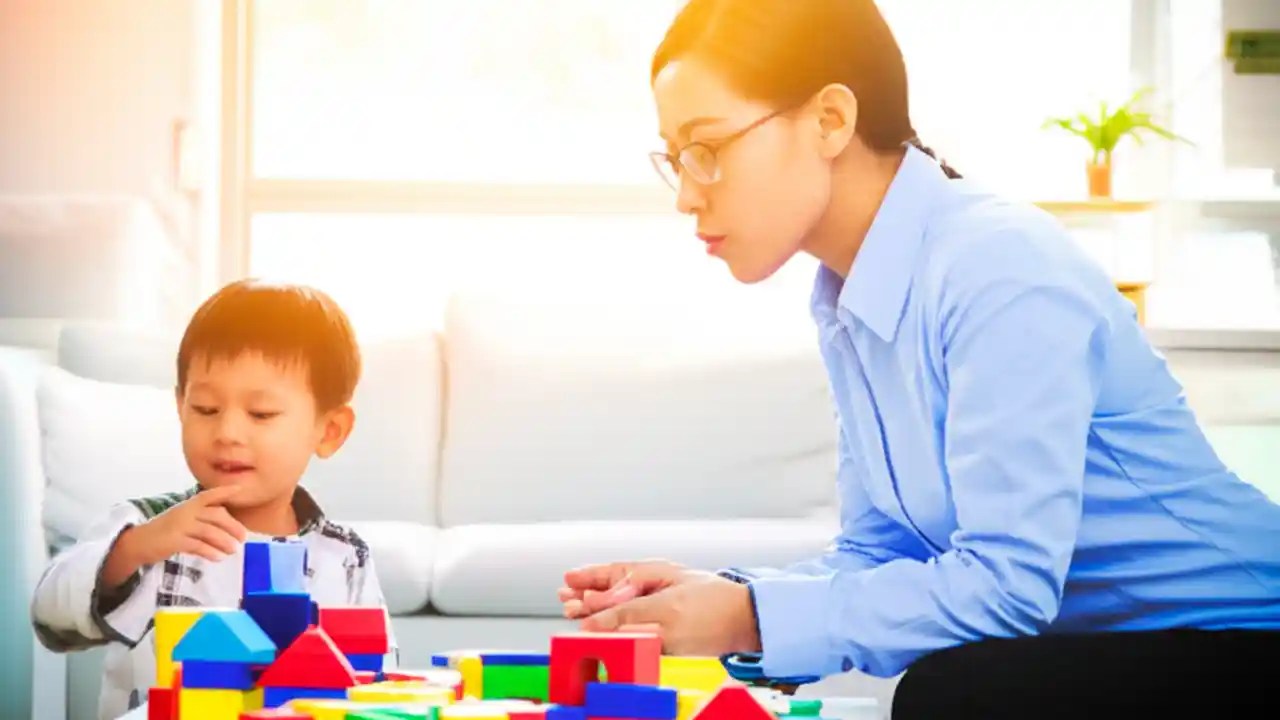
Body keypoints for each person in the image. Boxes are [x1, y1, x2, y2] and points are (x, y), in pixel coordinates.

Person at [558, 0, 1280, 716]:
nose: (686, 195)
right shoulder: (848, 298)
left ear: (831, 120)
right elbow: (885, 549)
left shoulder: (997, 268)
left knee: (955, 694)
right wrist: (723, 596)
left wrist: (750, 615)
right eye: (677, 159)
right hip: (1114, 649)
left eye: (707, 149)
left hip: (1241, 634)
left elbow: (1008, 588)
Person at [31, 280, 391, 720]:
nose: (227, 433)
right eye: (205, 408)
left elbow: (376, 686)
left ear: (329, 431)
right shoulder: (145, 529)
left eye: (261, 414)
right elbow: (52, 621)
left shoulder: (345, 557)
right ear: (181, 405)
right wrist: (135, 548)